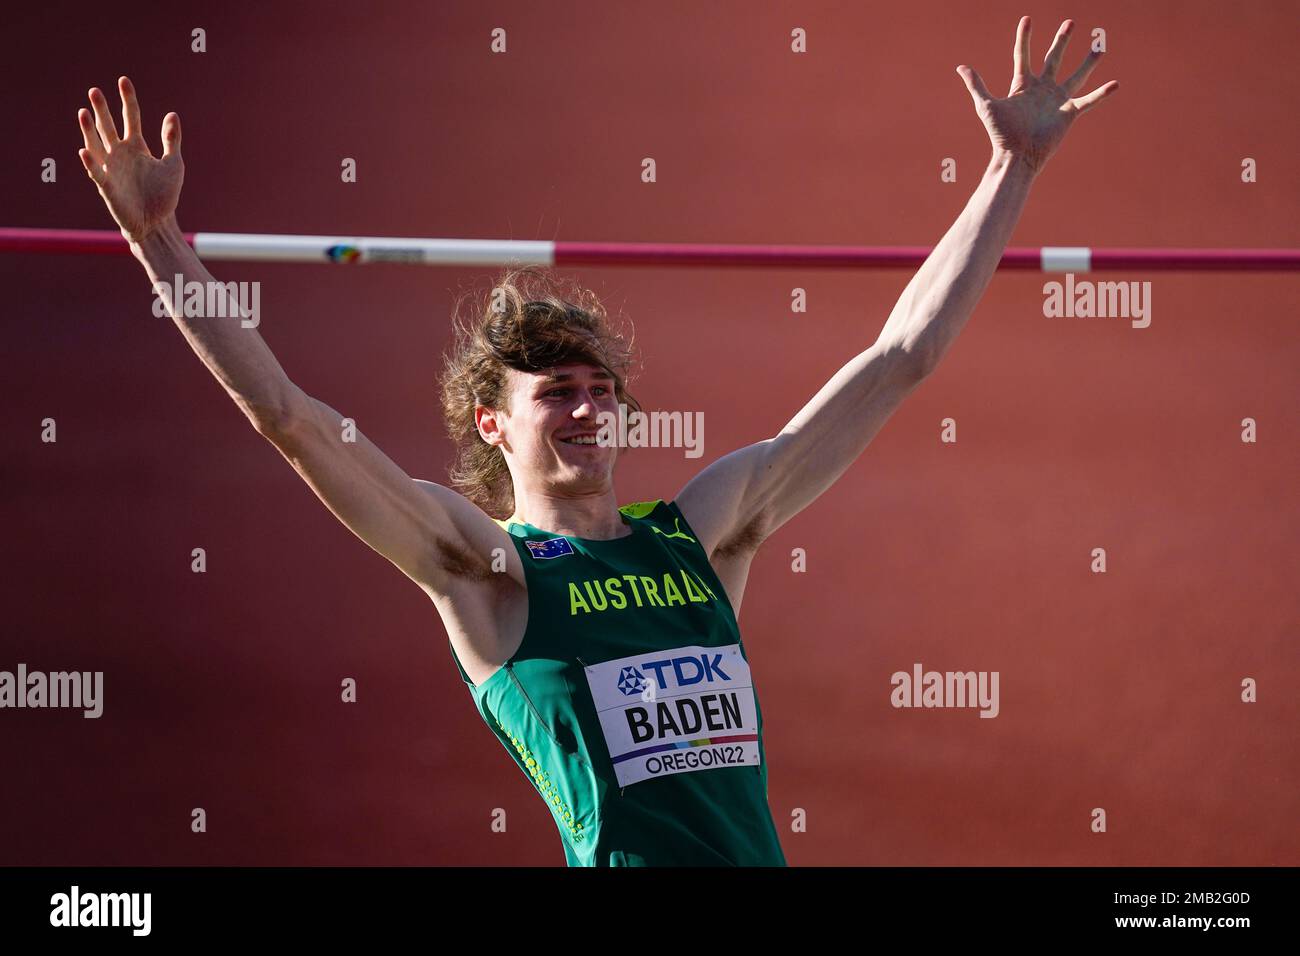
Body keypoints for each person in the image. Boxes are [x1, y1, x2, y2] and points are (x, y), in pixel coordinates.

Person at [74, 17, 1117, 866]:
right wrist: (159, 242)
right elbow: (292, 422)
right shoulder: (486, 570)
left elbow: (898, 359)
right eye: (554, 392)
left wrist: (1010, 169)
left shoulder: (703, 531)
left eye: (599, 389)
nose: (585, 408)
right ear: (493, 422)